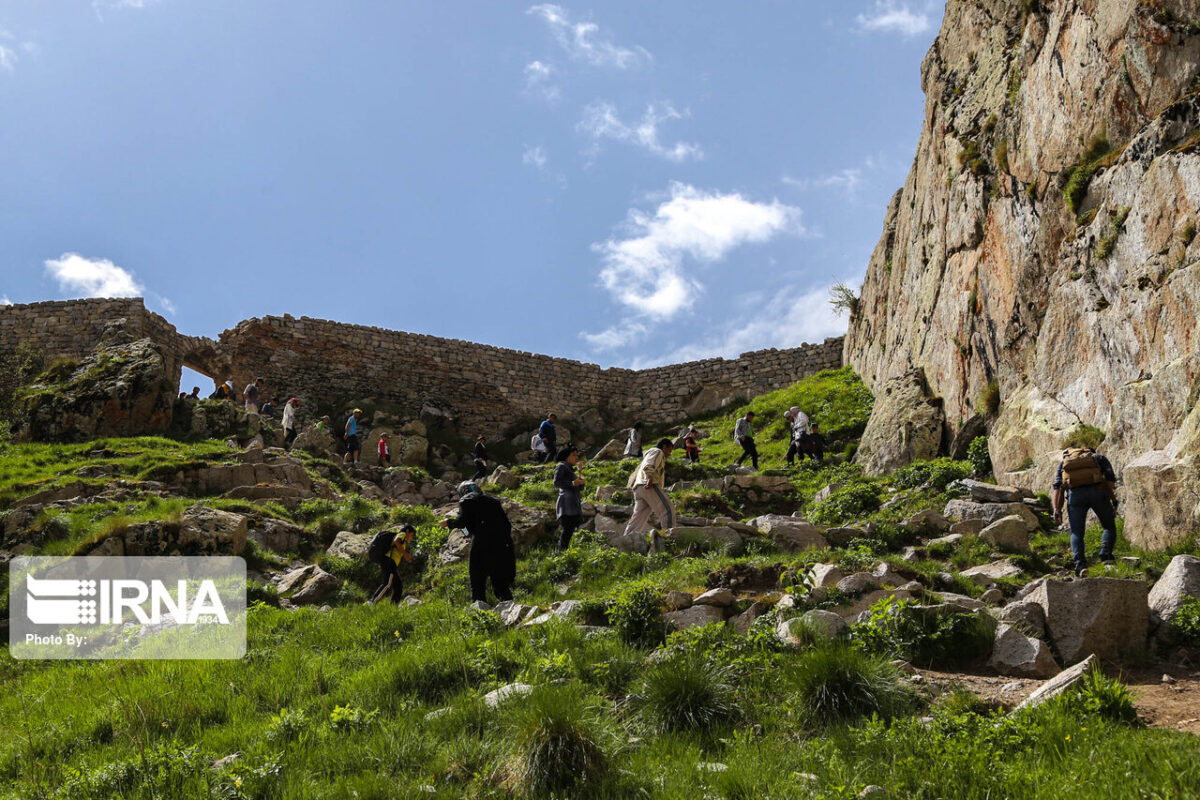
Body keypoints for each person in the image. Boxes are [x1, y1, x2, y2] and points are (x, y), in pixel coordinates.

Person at [440, 482, 516, 603]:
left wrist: (448, 523)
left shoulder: (466, 501)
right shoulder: (493, 501)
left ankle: (479, 607)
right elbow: (506, 525)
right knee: (499, 579)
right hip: (501, 543)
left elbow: (462, 523)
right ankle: (509, 605)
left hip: (481, 543)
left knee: (477, 577)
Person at [1052, 446, 1119, 576]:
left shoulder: (1064, 462)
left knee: (1077, 532)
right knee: (1109, 526)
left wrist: (1056, 509)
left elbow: (1057, 487)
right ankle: (1106, 557)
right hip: (1098, 492)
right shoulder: (1098, 458)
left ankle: (1080, 565)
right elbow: (1110, 480)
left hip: (1075, 496)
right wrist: (1113, 500)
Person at [623, 438, 677, 536]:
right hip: (648, 485)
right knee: (668, 510)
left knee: (639, 517)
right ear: (664, 447)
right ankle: (670, 538)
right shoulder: (657, 451)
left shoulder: (650, 453)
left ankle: (627, 538)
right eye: (669, 450)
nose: (669, 454)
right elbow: (649, 464)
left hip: (639, 487)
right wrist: (649, 477)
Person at [368, 525, 415, 604]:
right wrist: (405, 554)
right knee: (388, 583)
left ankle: (393, 606)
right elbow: (396, 541)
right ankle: (372, 602)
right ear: (407, 531)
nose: (411, 537)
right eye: (411, 535)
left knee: (398, 586)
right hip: (389, 561)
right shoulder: (402, 534)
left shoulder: (403, 541)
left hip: (391, 563)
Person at [554, 445, 586, 551]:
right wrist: (573, 483)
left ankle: (563, 551)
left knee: (569, 530)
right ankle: (561, 552)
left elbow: (581, 486)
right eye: (573, 455)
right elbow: (556, 482)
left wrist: (580, 471)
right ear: (566, 457)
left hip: (573, 504)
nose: (576, 457)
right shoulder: (561, 466)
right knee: (567, 529)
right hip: (566, 504)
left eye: (577, 455)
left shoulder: (571, 470)